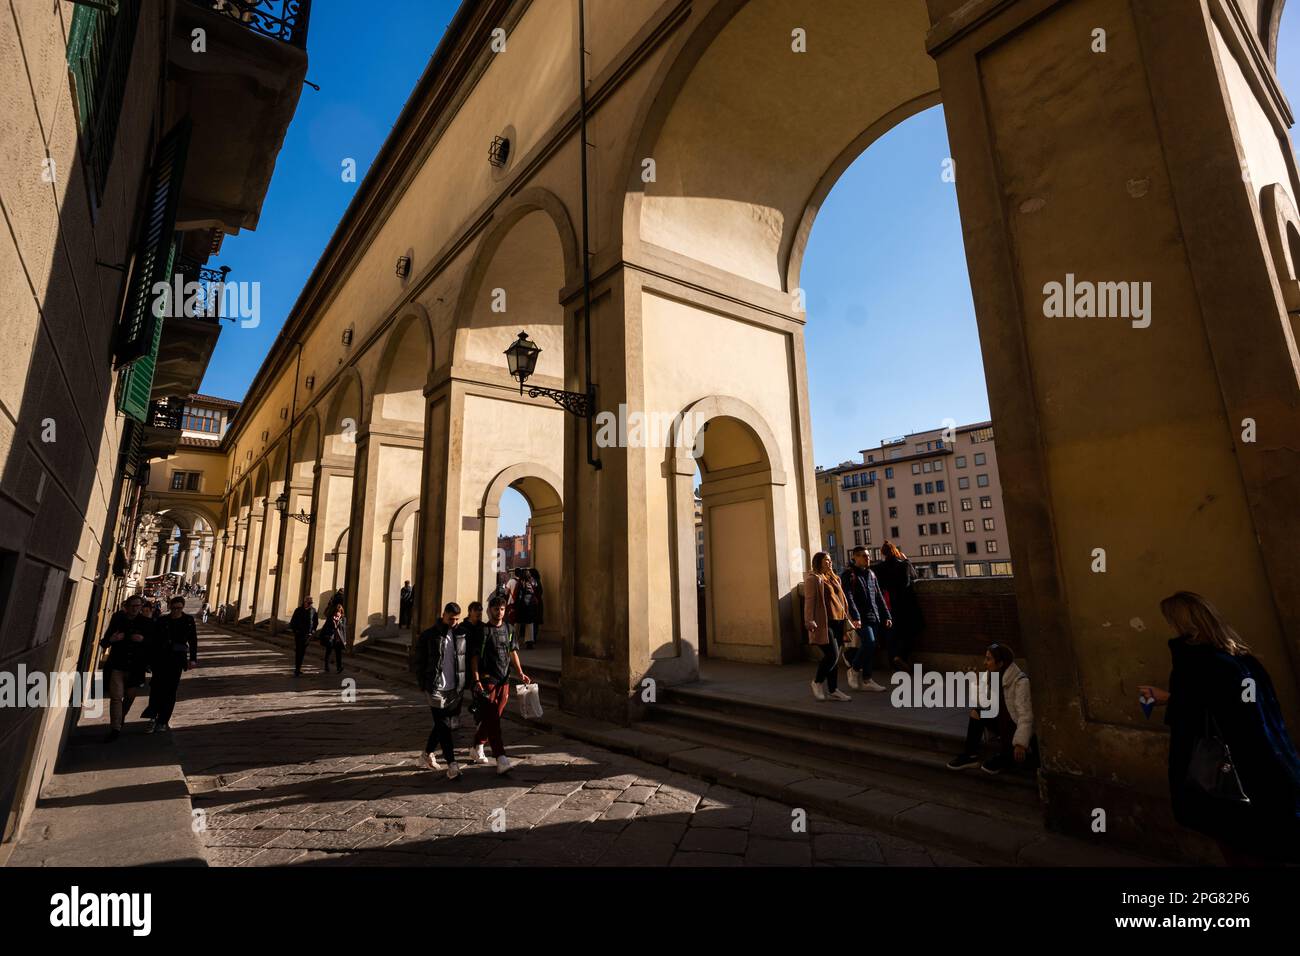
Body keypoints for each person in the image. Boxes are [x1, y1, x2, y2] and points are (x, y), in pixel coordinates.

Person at [1138, 592, 1300, 865]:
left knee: (1236, 841)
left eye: (1170, 620)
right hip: (1269, 762)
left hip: (1224, 771)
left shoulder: (1195, 663)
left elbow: (1192, 717)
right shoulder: (1244, 659)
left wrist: (1165, 700)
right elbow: (1240, 709)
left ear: (1182, 624)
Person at [947, 643, 1036, 774]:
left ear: (1000, 663)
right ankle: (970, 756)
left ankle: (1007, 755)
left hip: (1012, 725)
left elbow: (1025, 715)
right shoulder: (991, 676)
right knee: (976, 712)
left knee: (1004, 719)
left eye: (988, 659)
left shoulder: (1020, 682)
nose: (985, 662)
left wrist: (1021, 743)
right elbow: (981, 703)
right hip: (1000, 721)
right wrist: (976, 683)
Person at [467, 596, 531, 774]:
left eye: (502, 609)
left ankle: (477, 745)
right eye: (496, 609)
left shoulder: (509, 629)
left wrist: (520, 673)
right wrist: (477, 679)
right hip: (488, 678)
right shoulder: (483, 631)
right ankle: (501, 757)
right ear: (490, 610)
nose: (499, 612)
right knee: (493, 717)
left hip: (504, 679)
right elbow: (474, 657)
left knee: (494, 715)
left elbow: (513, 652)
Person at [416, 602, 467, 780]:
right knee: (444, 724)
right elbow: (419, 661)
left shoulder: (461, 634)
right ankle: (452, 764)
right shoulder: (429, 635)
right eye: (451, 618)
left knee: (441, 725)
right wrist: (424, 683)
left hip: (453, 687)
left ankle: (426, 754)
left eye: (456, 619)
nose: (453, 622)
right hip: (435, 686)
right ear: (443, 614)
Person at [98, 595, 153, 741]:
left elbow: (153, 644)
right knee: (116, 698)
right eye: (133, 606)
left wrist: (143, 640)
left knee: (129, 697)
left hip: (136, 667)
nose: (135, 608)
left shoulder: (147, 623)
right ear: (127, 606)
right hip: (117, 665)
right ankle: (115, 728)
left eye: (138, 606)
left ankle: (120, 717)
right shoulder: (118, 620)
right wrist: (112, 639)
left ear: (141, 607)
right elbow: (104, 642)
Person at [840, 546, 891, 692]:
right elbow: (848, 597)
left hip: (873, 616)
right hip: (860, 617)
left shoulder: (871, 574)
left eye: (867, 556)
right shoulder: (849, 574)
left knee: (872, 646)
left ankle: (867, 679)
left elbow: (878, 596)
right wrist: (855, 616)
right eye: (863, 556)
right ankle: (854, 669)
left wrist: (886, 615)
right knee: (869, 643)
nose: (867, 558)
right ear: (854, 558)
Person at [803, 551, 851, 702]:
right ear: (818, 562)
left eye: (830, 560)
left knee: (834, 658)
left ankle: (833, 690)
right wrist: (809, 620)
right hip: (825, 623)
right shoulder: (813, 579)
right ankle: (817, 682)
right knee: (832, 655)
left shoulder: (833, 578)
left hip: (838, 622)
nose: (829, 563)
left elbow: (841, 599)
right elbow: (809, 601)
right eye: (826, 560)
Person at [148, 596, 198, 733]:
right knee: (156, 688)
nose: (176, 611)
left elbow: (193, 640)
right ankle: (152, 717)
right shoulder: (162, 620)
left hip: (177, 660)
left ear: (183, 608)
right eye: (174, 608)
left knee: (171, 691)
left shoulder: (188, 620)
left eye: (179, 608)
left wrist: (193, 659)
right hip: (160, 659)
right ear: (170, 607)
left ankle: (163, 720)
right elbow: (153, 640)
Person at [873, 541, 923, 671]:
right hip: (905, 604)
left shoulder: (878, 568)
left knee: (891, 635)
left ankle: (893, 662)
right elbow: (914, 577)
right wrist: (907, 560)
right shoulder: (903, 565)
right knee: (910, 631)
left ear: (882, 554)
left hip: (887, 604)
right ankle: (901, 656)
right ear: (896, 551)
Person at [455, 601, 486, 751]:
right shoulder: (462, 628)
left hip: (478, 666)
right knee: (458, 692)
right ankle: (454, 715)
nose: (479, 614)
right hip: (463, 665)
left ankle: (478, 720)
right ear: (469, 612)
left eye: (480, 611)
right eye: (476, 611)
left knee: (478, 693)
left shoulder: (483, 627)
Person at [289, 595, 319, 677]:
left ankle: (298, 668)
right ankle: (297, 669)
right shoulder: (298, 610)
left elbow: (315, 622)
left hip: (307, 635)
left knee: (302, 652)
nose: (310, 604)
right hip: (299, 634)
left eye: (311, 603)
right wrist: (295, 631)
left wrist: (313, 631)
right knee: (298, 651)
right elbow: (293, 621)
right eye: (308, 602)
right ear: (304, 602)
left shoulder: (313, 611)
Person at [514, 568, 542, 649]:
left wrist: (516, 606)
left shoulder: (520, 583)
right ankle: (529, 642)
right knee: (529, 625)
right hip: (529, 607)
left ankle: (514, 642)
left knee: (517, 625)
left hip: (521, 607)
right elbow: (536, 593)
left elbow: (518, 596)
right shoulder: (532, 583)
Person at [319, 602, 347, 674]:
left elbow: (343, 629)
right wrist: (334, 624)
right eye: (337, 611)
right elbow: (326, 627)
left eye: (340, 612)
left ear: (341, 612)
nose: (338, 613)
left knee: (338, 653)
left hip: (338, 638)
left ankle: (339, 667)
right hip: (330, 638)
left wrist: (344, 640)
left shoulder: (343, 619)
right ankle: (326, 667)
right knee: (328, 652)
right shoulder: (330, 618)